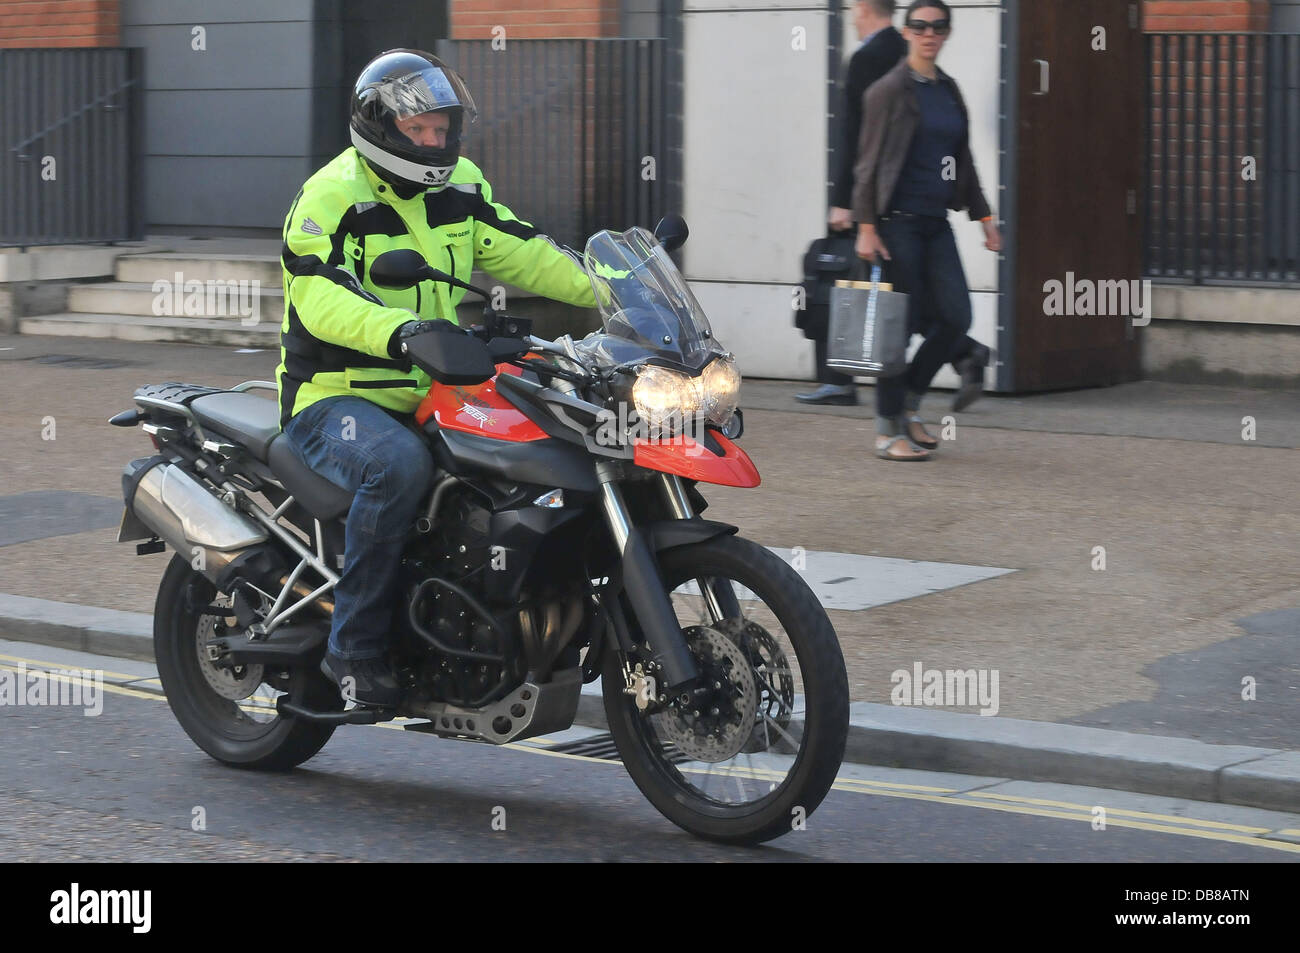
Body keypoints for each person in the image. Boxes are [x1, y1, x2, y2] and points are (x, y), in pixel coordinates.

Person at [276, 49, 597, 705]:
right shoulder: (332, 196)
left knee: (539, 452)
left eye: (442, 128)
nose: (435, 140)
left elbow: (523, 251)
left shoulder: (459, 187)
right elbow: (317, 295)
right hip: (334, 401)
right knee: (396, 466)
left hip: (438, 391)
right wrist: (399, 330)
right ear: (383, 126)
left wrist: (610, 288)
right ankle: (354, 650)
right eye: (421, 129)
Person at [852, 1, 1001, 460]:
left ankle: (910, 405)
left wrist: (985, 219)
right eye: (919, 26)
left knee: (955, 317)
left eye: (937, 27)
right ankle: (885, 430)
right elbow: (867, 164)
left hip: (936, 224)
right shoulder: (888, 90)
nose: (928, 33)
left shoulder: (948, 90)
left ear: (947, 33)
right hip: (896, 226)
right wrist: (865, 226)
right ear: (906, 31)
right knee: (897, 330)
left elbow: (965, 160)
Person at [798, 0, 904, 407]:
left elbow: (853, 139)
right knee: (898, 283)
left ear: (865, 8)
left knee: (834, 275)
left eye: (855, 8)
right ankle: (838, 378)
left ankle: (838, 380)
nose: (853, 16)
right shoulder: (903, 51)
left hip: (867, 195)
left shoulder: (866, 59)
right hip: (900, 196)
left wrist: (843, 202)